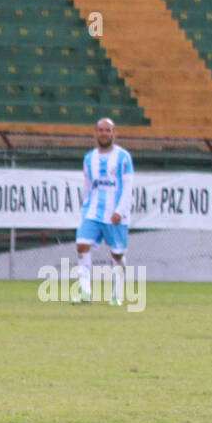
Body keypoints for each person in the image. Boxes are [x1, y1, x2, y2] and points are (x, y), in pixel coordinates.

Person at [72, 118, 133, 306]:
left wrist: (120, 211)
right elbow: (88, 185)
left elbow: (128, 185)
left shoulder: (123, 157)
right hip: (93, 211)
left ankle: (118, 292)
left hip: (115, 214)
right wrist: (84, 208)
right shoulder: (89, 158)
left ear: (114, 133)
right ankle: (85, 292)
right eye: (101, 130)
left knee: (117, 255)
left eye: (108, 130)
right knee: (81, 245)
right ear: (95, 133)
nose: (104, 133)